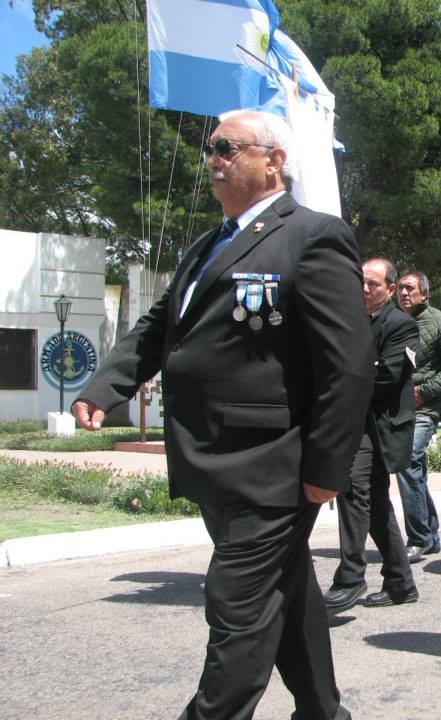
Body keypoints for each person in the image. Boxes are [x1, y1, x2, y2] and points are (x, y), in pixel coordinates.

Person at [72, 110, 370, 720]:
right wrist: (105, 387)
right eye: (211, 147)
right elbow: (162, 328)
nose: (214, 158)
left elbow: (348, 364)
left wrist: (326, 468)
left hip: (272, 467)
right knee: (284, 596)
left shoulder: (314, 236)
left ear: (273, 160)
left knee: (236, 608)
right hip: (214, 461)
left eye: (228, 147)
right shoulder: (209, 244)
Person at [326, 258, 420, 613]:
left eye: (374, 284)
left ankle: (351, 575)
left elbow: (387, 377)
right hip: (354, 422)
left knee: (352, 487)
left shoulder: (401, 325)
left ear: (391, 290)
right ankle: (400, 582)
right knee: (376, 504)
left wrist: (345, 380)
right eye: (360, 283)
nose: (364, 290)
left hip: (379, 426)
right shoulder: (350, 321)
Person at [395, 270, 441, 562]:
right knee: (415, 470)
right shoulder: (393, 321)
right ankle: (431, 535)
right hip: (396, 408)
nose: (404, 293)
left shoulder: (439, 321)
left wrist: (424, 391)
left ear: (424, 294)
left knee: (407, 460)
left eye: (410, 288)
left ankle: (419, 537)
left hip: (425, 408)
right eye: (400, 288)